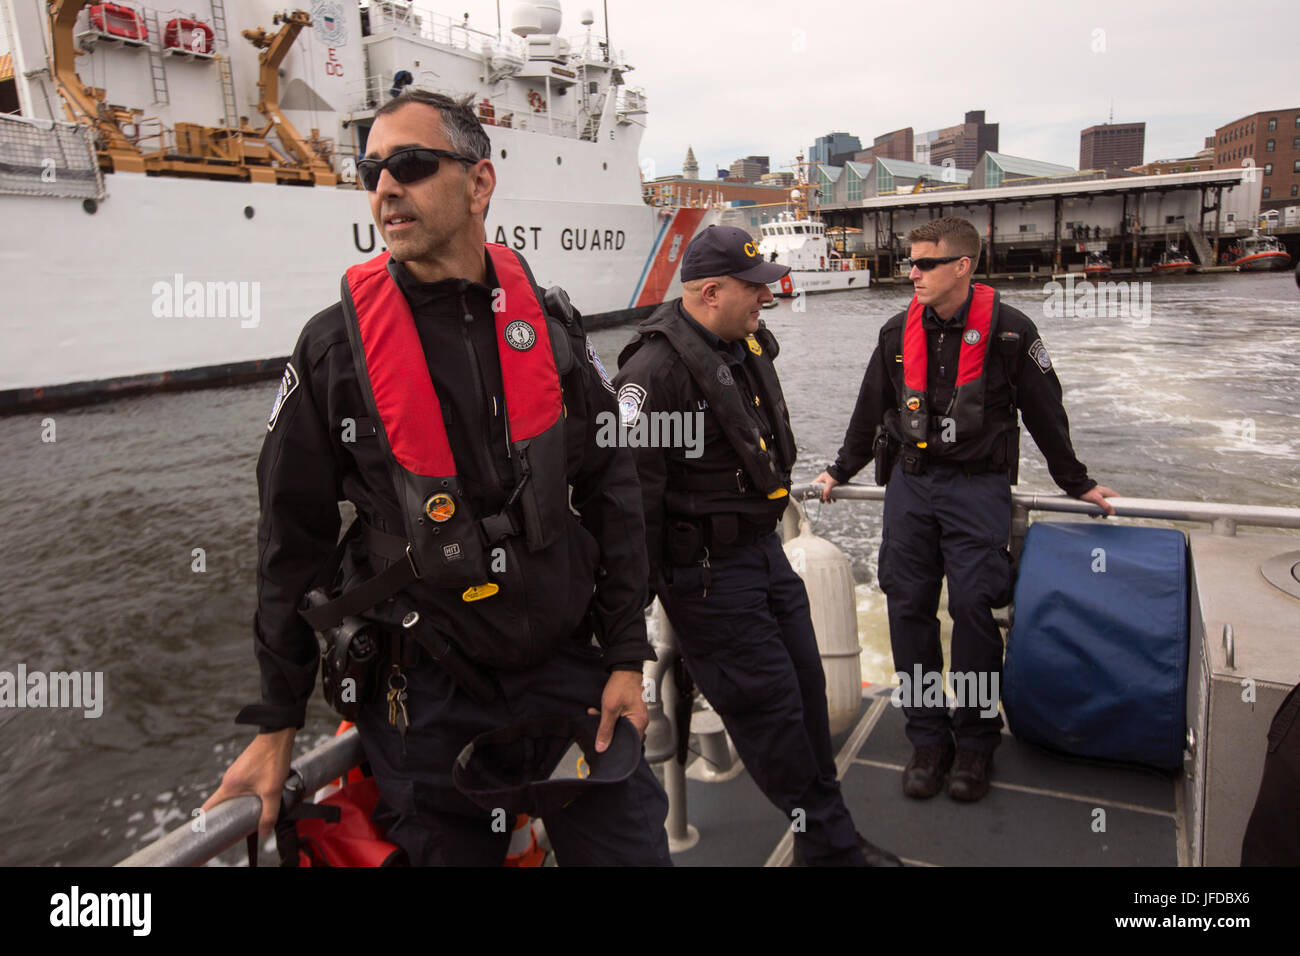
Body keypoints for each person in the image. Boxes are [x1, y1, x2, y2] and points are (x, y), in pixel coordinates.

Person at [202, 89, 671, 866]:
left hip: (570, 682)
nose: (387, 187)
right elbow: (291, 541)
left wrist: (625, 654)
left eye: (412, 166)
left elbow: (614, 490)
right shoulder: (331, 353)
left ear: (479, 183)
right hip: (426, 705)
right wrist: (275, 724)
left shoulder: (551, 331)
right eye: (372, 170)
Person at [614, 225, 901, 866]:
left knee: (805, 698)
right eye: (755, 287)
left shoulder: (741, 348)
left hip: (765, 555)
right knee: (772, 718)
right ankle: (833, 850)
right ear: (711, 292)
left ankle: (821, 837)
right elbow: (628, 507)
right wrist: (631, 635)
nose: (767, 297)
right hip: (711, 583)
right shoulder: (651, 374)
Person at [815, 217, 1118, 803]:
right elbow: (869, 409)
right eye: (911, 262)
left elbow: (1044, 412)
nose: (912, 274)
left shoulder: (1010, 333)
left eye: (925, 264)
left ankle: (976, 743)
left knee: (976, 611)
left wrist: (1075, 481)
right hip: (912, 485)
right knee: (907, 607)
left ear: (962, 266)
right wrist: (840, 470)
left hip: (978, 488)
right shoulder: (892, 333)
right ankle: (928, 738)